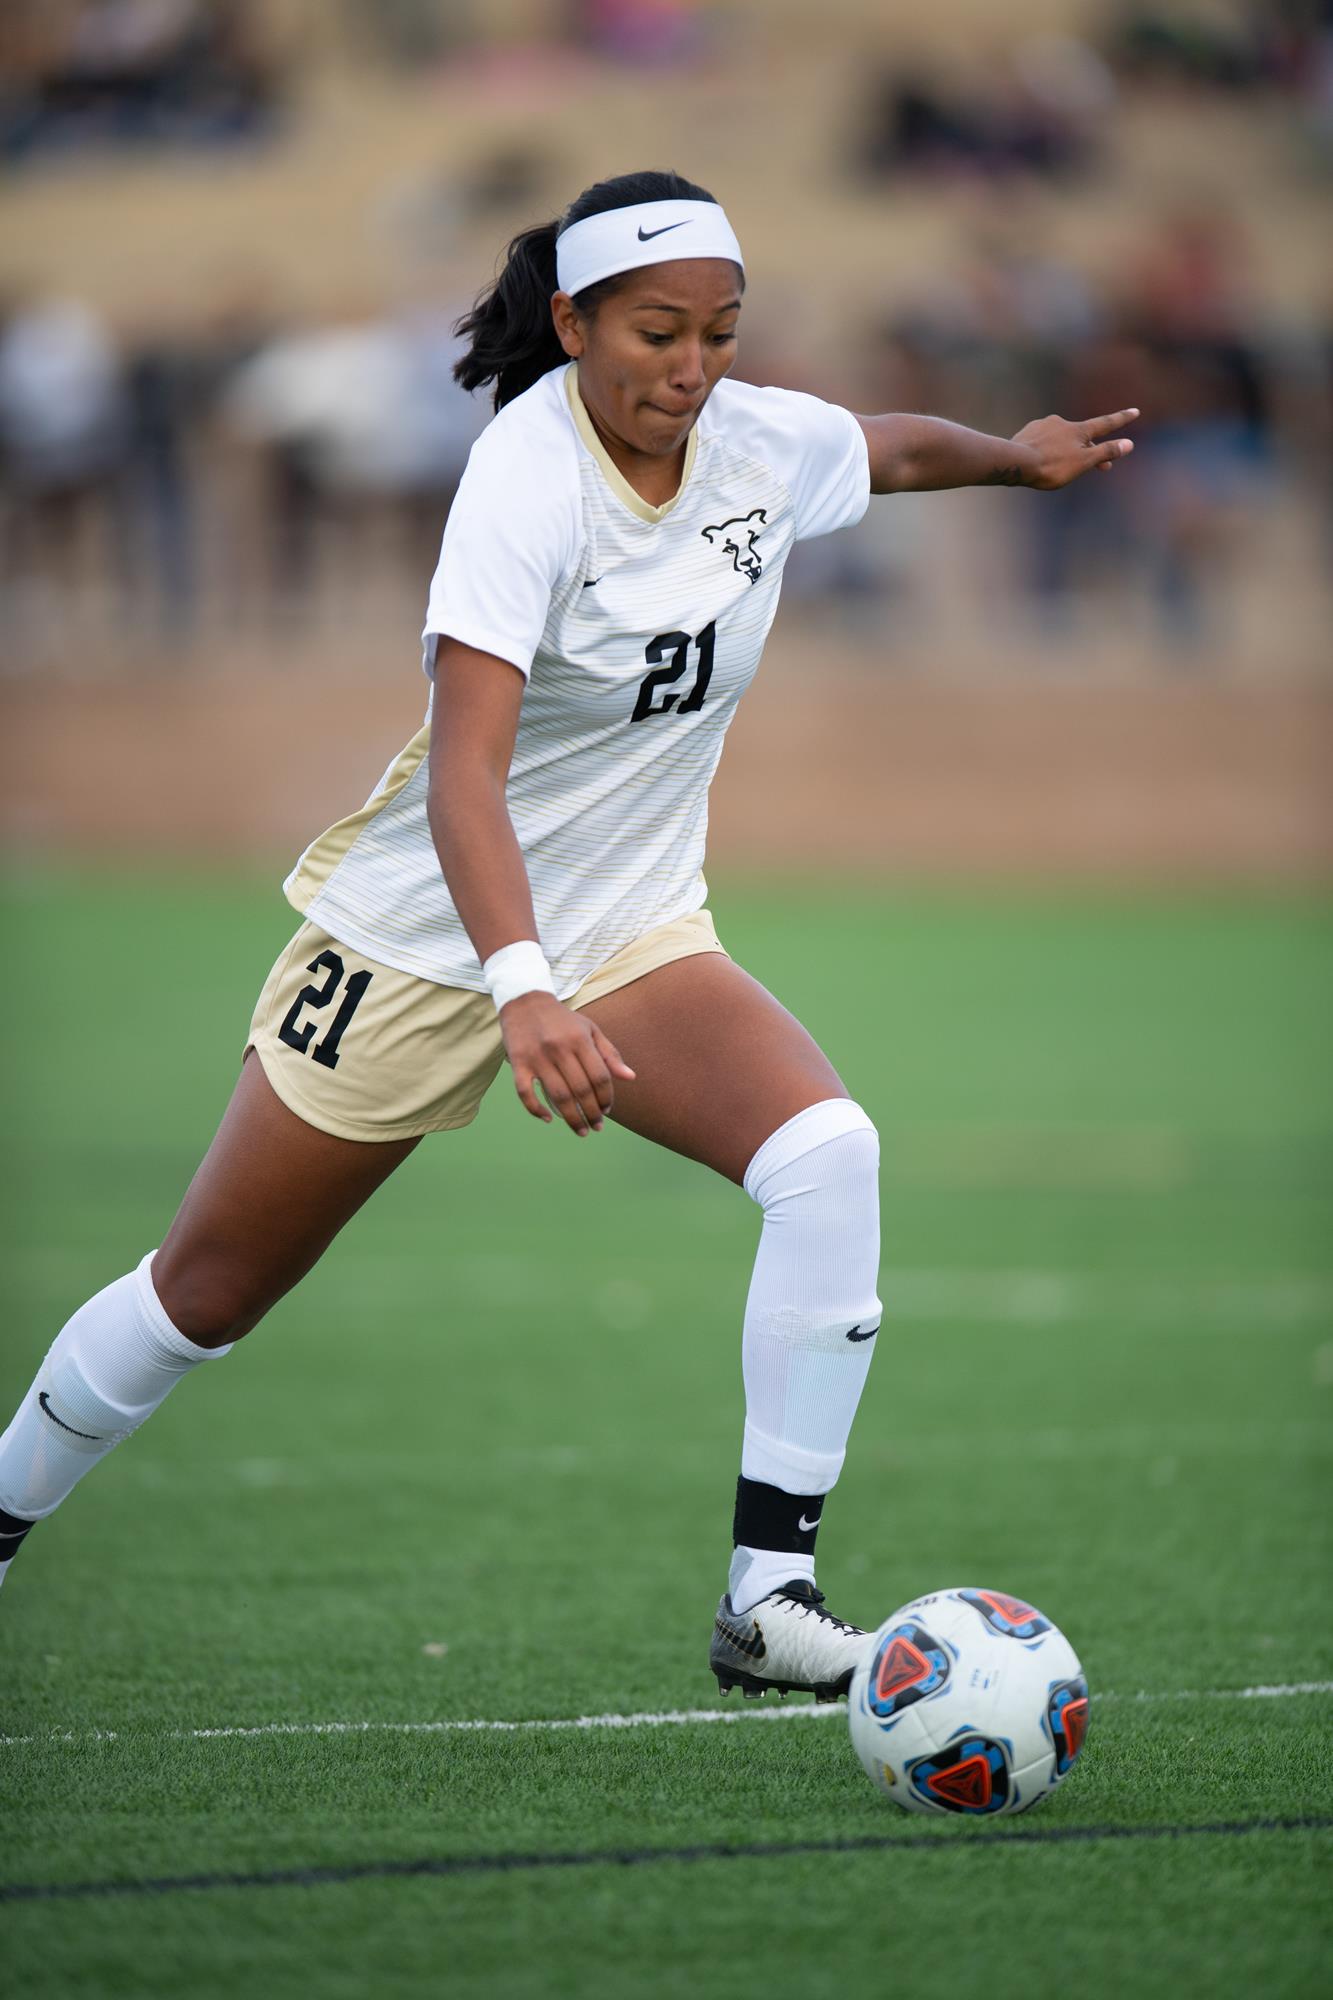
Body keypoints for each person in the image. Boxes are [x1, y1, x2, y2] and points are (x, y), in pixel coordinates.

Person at [0, 170, 1136, 1699]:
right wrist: (520, 990)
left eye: (720, 332)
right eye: (657, 333)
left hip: (628, 925)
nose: (691, 366)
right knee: (203, 1292)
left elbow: (880, 447)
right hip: (422, 939)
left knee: (827, 1157)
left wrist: (1014, 458)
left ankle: (768, 1600)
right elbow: (463, 773)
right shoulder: (523, 480)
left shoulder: (752, 440)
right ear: (573, 323)